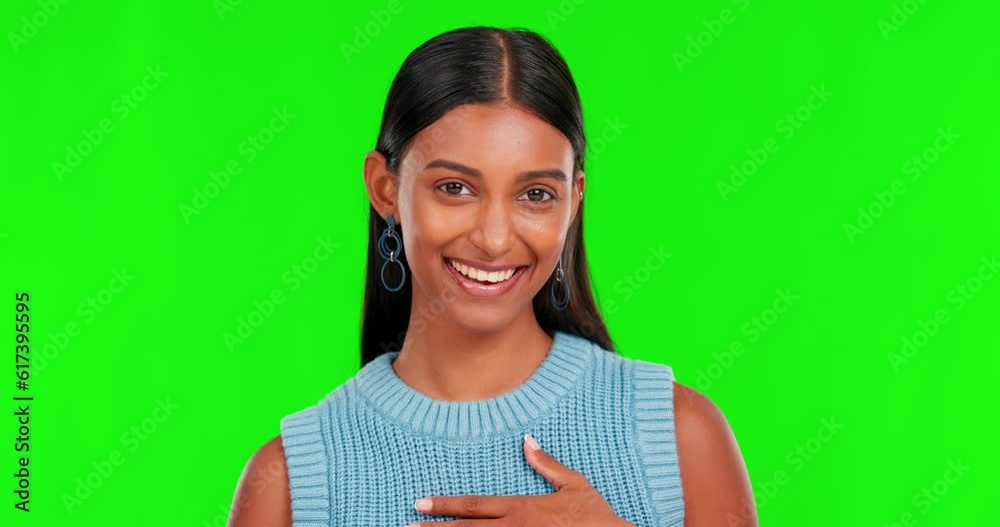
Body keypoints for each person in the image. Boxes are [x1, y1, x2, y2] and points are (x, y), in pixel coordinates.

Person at [229, 26, 756, 527]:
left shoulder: (682, 435)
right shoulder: (289, 481)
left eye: (535, 195)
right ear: (385, 189)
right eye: (455, 187)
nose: (495, 239)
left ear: (573, 201)